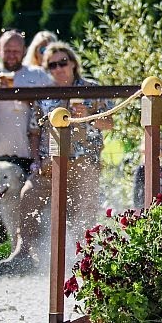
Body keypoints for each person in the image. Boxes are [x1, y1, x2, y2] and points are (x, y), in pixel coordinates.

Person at [18, 41, 112, 264]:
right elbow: (34, 131)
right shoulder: (45, 93)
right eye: (52, 65)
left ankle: (85, 260)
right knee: (28, 196)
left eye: (63, 62)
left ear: (73, 63)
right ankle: (23, 252)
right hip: (50, 163)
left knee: (84, 215)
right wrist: (35, 161)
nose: (59, 68)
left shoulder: (93, 89)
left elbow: (109, 123)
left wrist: (88, 113)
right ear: (46, 69)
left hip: (84, 162)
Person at [0, 29, 52, 262]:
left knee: (27, 206)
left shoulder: (37, 75)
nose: (12, 55)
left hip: (25, 150)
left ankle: (28, 256)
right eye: (8, 50)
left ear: (24, 51)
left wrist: (23, 95)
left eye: (16, 50)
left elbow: (47, 110)